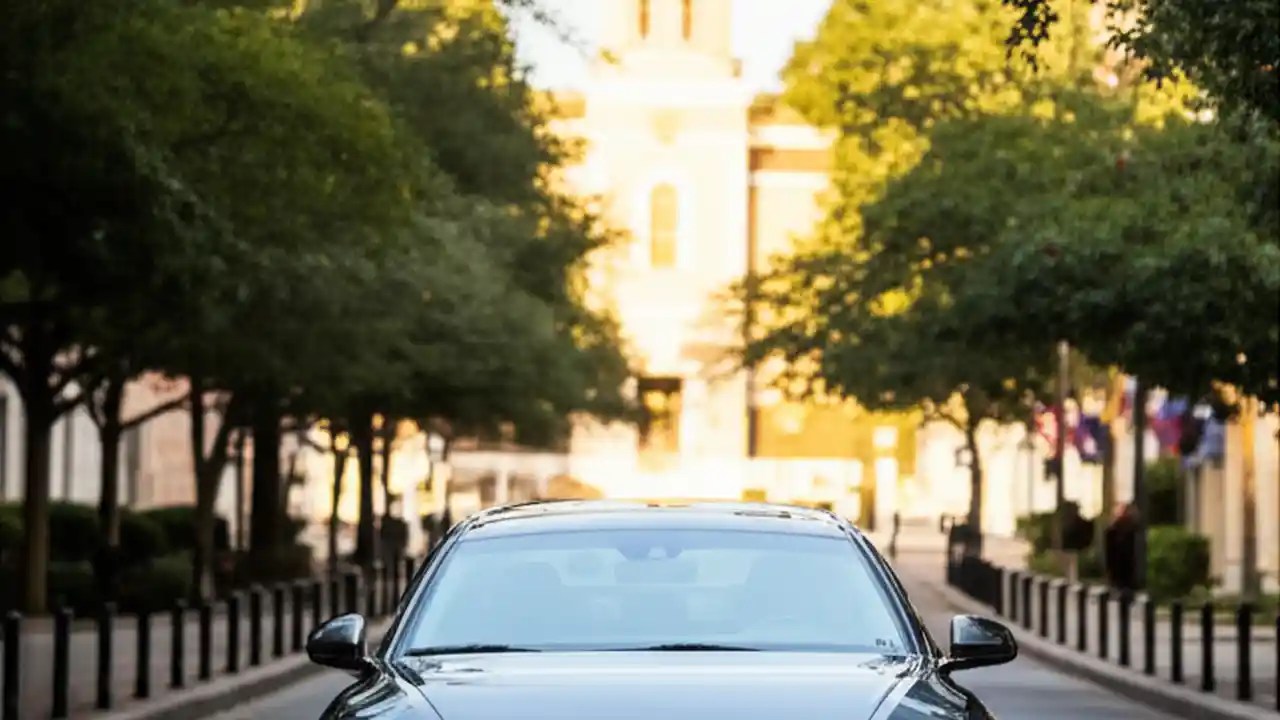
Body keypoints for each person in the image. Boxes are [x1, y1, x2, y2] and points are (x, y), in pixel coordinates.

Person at [1104, 503, 1139, 593]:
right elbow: (1110, 554)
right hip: (1120, 571)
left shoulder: (1132, 530)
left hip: (1125, 572)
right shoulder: (1113, 531)